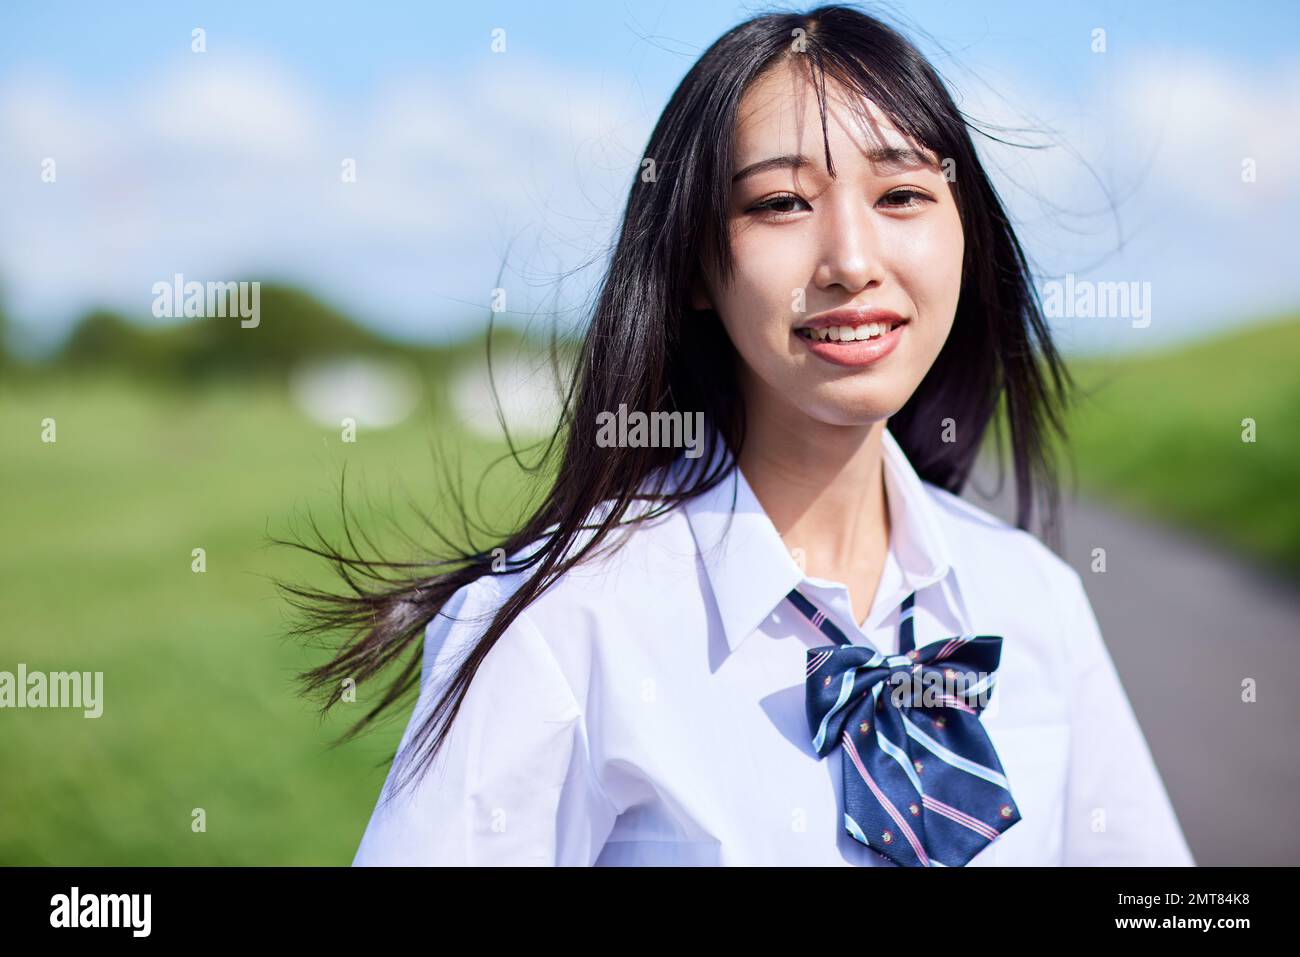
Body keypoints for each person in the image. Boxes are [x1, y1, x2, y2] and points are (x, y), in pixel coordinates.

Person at [297, 5, 1194, 866]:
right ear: (693, 265)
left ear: (966, 236)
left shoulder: (1035, 600)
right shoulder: (564, 624)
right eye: (780, 203)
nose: (850, 259)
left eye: (904, 192)